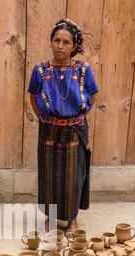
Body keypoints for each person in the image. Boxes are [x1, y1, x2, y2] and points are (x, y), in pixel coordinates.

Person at [28, 18, 99, 235]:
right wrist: (47, 118)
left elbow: (93, 97)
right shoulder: (40, 70)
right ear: (51, 42)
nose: (60, 46)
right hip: (49, 130)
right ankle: (50, 218)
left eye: (66, 42)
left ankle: (72, 221)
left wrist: (73, 119)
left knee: (73, 177)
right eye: (56, 40)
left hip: (75, 131)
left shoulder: (83, 70)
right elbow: (33, 97)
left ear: (74, 46)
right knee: (50, 176)